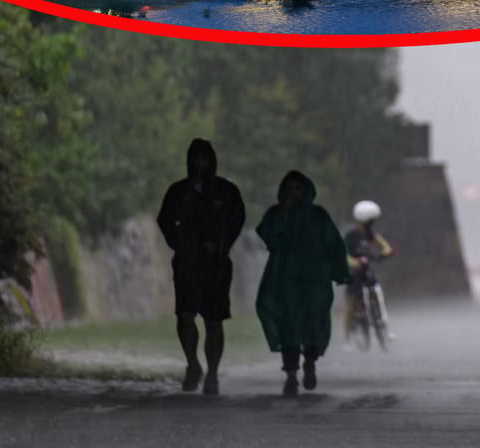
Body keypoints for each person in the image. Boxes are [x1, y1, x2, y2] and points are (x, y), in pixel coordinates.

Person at [156, 138, 245, 395]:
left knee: (214, 319)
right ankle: (192, 363)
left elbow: (237, 219)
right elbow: (164, 220)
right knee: (185, 315)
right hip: (187, 263)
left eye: (205, 158)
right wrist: (180, 243)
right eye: (196, 158)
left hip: (215, 264)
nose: (200, 164)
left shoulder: (226, 192)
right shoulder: (178, 192)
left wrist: (221, 244)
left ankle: (213, 373)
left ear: (212, 160)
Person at [255, 170, 351, 397]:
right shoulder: (277, 214)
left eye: (298, 189)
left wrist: (340, 271)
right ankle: (290, 374)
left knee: (313, 324)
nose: (294, 193)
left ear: (306, 190)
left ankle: (309, 361)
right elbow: (268, 236)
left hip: (314, 281)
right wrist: (285, 216)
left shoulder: (318, 216)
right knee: (288, 326)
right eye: (289, 189)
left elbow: (334, 245)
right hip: (285, 279)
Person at [342, 200, 395, 340]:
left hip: (365, 268)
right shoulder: (351, 234)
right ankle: (347, 335)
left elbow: (382, 242)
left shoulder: (369, 233)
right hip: (353, 271)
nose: (372, 224)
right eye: (370, 221)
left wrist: (386, 250)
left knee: (377, 289)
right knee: (352, 301)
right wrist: (352, 261)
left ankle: (380, 322)